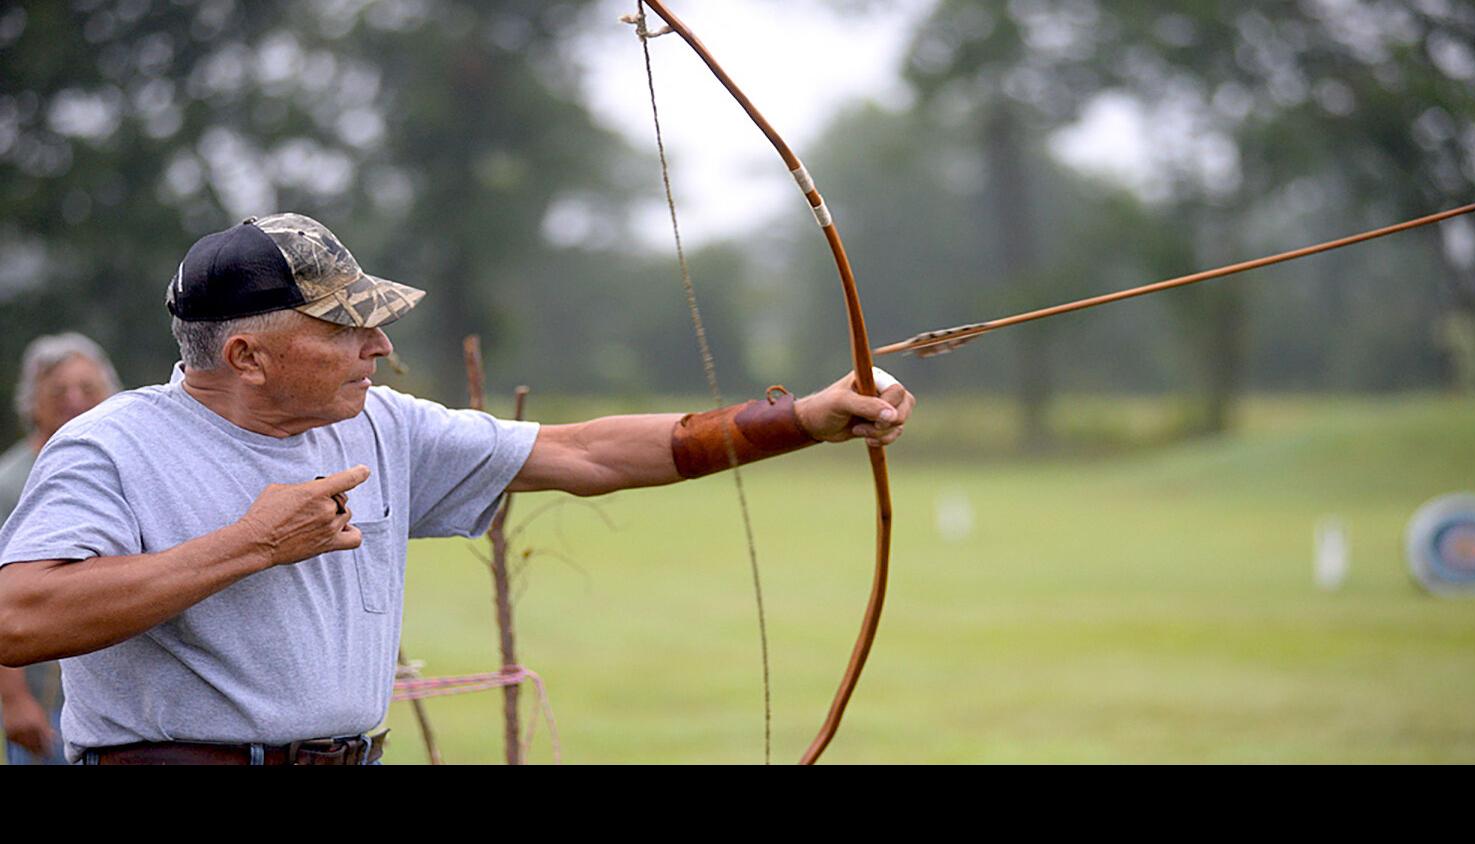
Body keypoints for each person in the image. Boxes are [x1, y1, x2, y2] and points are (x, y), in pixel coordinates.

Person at [0, 213, 913, 765]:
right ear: (247, 355)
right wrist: (252, 545)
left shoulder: (383, 424)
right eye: (348, 329)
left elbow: (586, 452)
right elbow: (19, 620)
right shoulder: (110, 447)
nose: (380, 347)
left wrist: (798, 421)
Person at [0, 333, 121, 765]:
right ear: (32, 402)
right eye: (58, 391)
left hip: (118, 699)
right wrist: (13, 700)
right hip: (48, 697)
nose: (75, 400)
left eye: (87, 388)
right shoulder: (13, 481)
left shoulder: (118, 461)